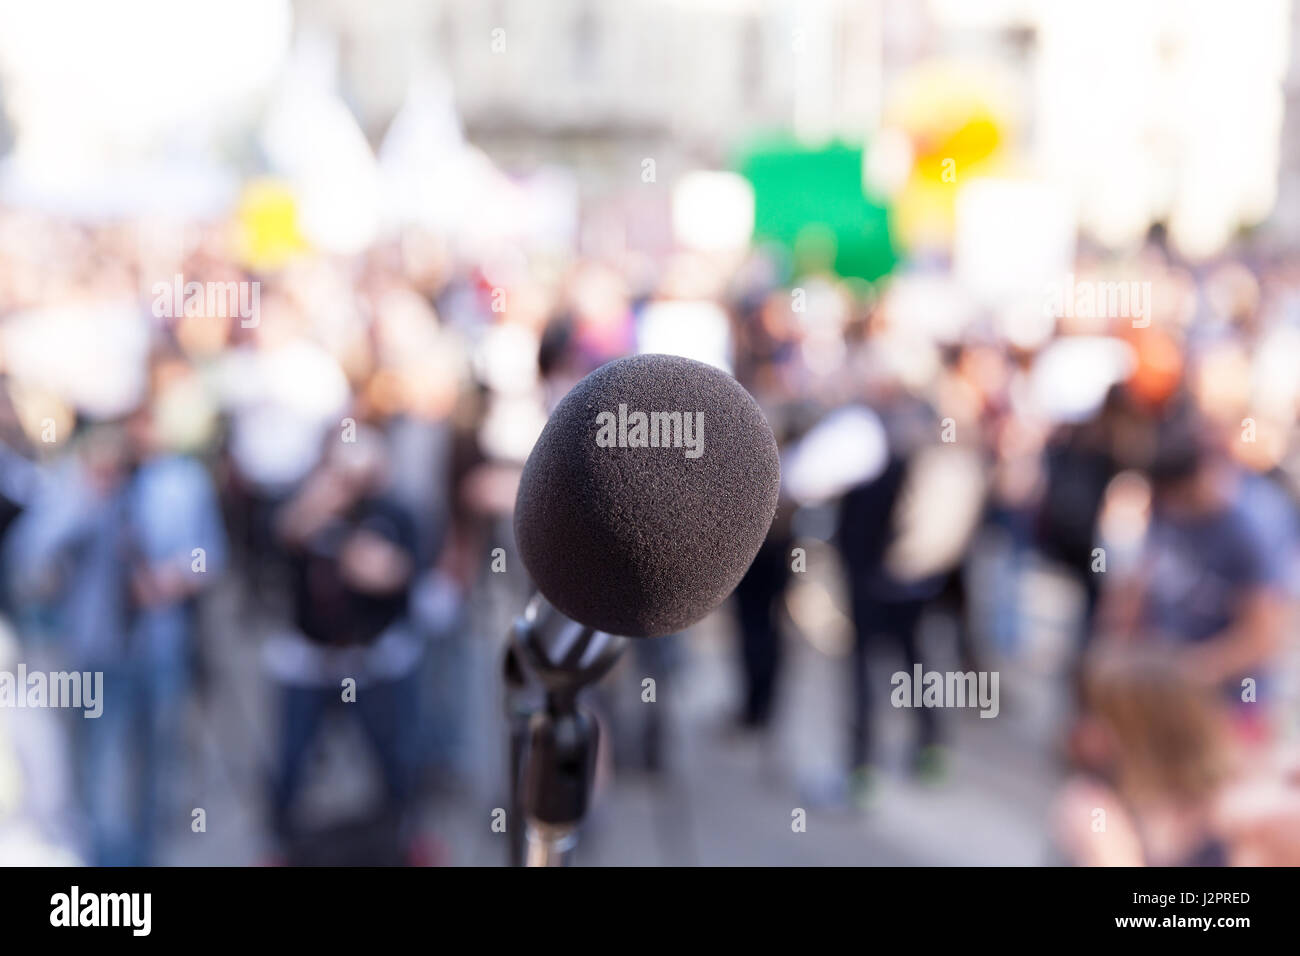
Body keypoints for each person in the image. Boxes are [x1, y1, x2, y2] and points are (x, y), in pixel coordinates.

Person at [264, 424, 424, 864]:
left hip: (374, 659)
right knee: (291, 757)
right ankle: (280, 842)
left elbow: (397, 572)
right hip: (311, 657)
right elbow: (281, 535)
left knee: (393, 754)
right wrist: (315, 510)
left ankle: (404, 837)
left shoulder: (391, 512)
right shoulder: (310, 505)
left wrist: (362, 557)